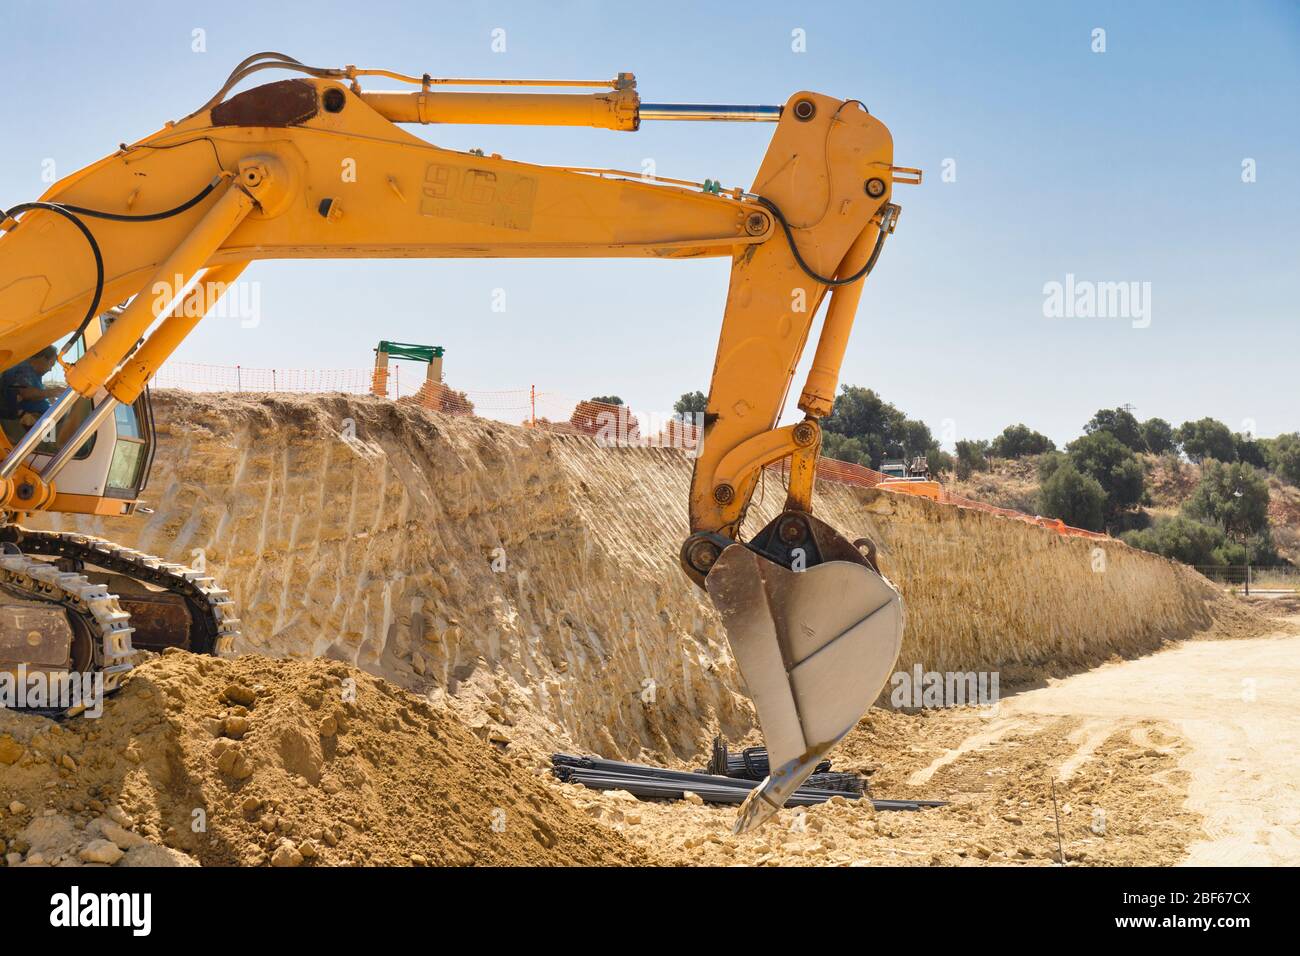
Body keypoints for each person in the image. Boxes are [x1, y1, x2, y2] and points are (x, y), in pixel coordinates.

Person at [1, 346, 63, 426]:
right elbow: (26, 392)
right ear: (42, 359)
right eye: (51, 364)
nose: (50, 369)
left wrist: (49, 396)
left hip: (42, 421)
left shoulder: (34, 374)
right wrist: (53, 392)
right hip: (28, 424)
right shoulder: (23, 368)